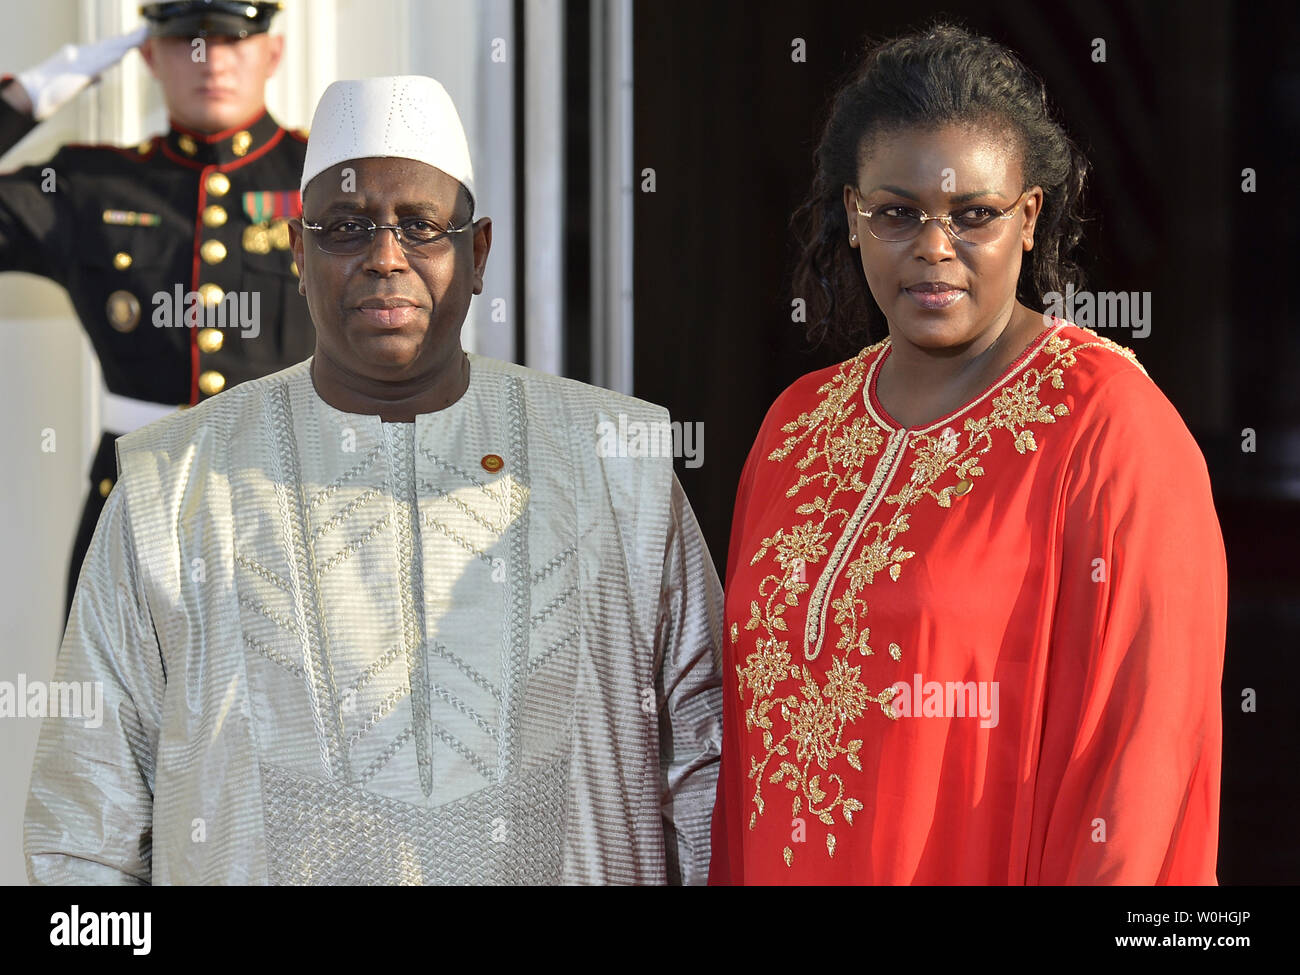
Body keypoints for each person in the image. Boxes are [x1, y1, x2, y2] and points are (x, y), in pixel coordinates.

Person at [24, 74, 723, 885]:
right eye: (346, 227)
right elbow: (82, 828)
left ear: (478, 253)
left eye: (421, 227)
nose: (385, 258)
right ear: (298, 253)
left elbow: (711, 774)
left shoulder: (617, 462)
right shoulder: (169, 486)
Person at [708, 22, 1227, 885]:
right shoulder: (794, 430)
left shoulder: (1110, 427)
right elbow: (738, 756)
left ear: (1029, 219)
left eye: (974, 215)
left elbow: (1140, 767)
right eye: (898, 213)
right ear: (852, 217)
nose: (934, 248)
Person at [0, 1, 313, 617]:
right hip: (134, 518)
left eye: (234, 40)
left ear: (273, 53)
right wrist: (27, 98)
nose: (211, 61)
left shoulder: (327, 178)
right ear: (147, 55)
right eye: (187, 41)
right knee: (115, 711)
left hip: (294, 510)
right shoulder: (89, 186)